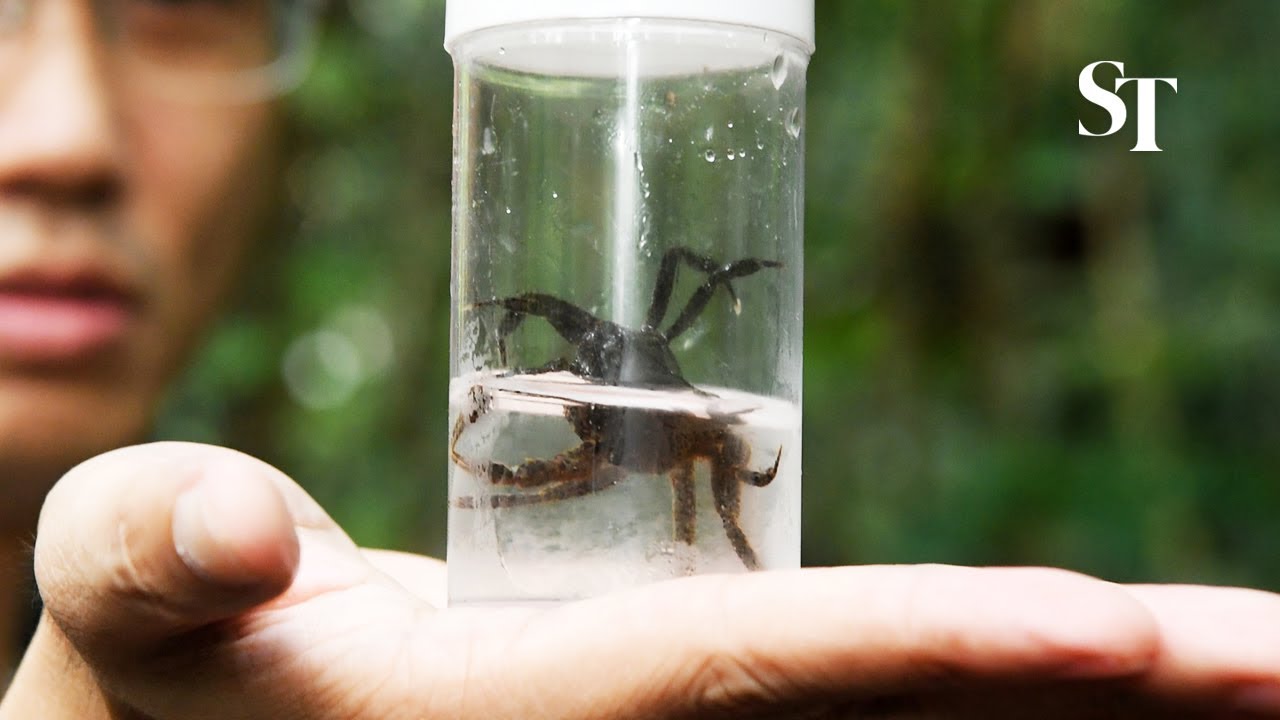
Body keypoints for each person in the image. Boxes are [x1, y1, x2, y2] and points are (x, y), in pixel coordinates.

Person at [1, 2, 1279, 718]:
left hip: (681, 434)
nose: (63, 140)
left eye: (174, 9)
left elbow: (690, 436)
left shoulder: (678, 402)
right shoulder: (573, 391)